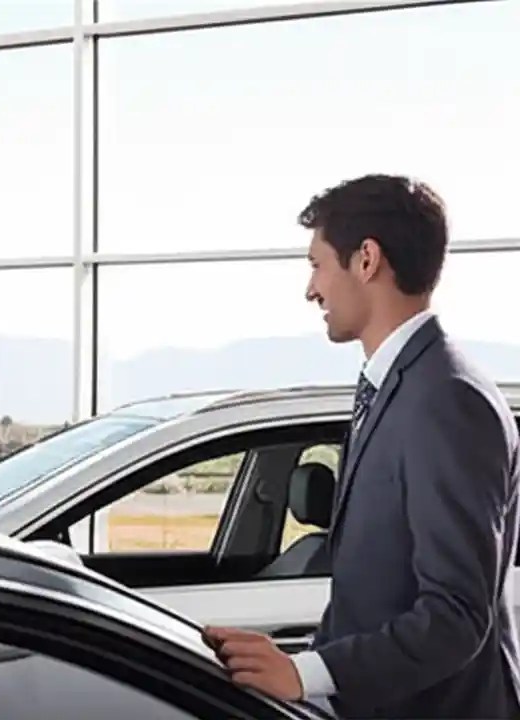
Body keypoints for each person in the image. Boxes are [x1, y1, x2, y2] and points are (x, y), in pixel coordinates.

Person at [204, 175, 520, 719]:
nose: (311, 289)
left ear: (366, 259)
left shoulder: (446, 400)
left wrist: (305, 674)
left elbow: (456, 616)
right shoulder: (398, 384)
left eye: (317, 264)